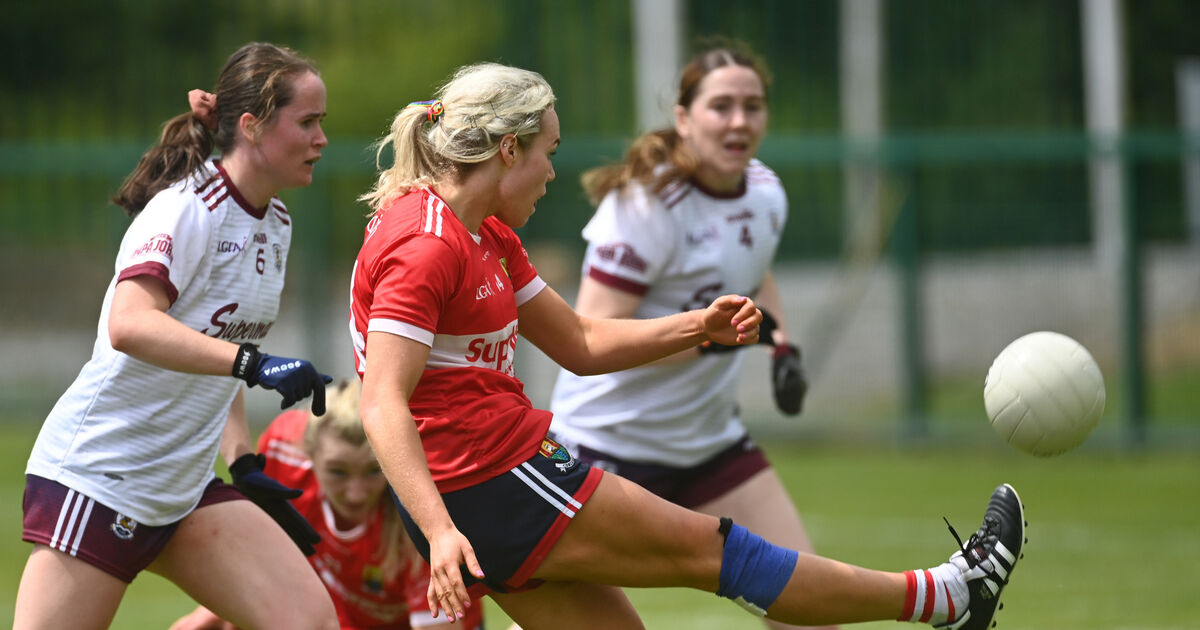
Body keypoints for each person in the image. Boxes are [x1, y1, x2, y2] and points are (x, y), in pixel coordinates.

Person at [350, 61, 1026, 630]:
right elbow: (382, 401)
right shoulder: (428, 245)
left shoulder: (481, 234)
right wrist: (440, 529)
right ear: (508, 150)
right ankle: (951, 594)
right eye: (548, 152)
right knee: (717, 553)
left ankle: (951, 594)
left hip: (481, 488)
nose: (553, 172)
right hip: (492, 482)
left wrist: (696, 325)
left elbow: (581, 340)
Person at [15, 42, 339, 630]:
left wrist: (242, 462)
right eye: (308, 122)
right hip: (103, 479)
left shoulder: (278, 223)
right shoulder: (187, 208)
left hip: (183, 490)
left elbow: (217, 351)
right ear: (253, 126)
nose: (321, 139)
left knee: (309, 620)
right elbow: (130, 323)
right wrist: (255, 363)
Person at [546, 43, 824, 630]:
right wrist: (706, 336)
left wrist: (782, 346)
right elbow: (590, 336)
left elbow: (754, 271)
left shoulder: (766, 193)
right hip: (605, 451)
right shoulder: (646, 205)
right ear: (683, 118)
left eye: (753, 106)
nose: (739, 121)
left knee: (808, 611)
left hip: (708, 448)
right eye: (721, 106)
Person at [170, 379, 486, 630]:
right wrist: (216, 612)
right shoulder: (280, 455)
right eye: (338, 472)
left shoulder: (417, 526)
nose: (356, 493)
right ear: (310, 454)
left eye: (374, 470)